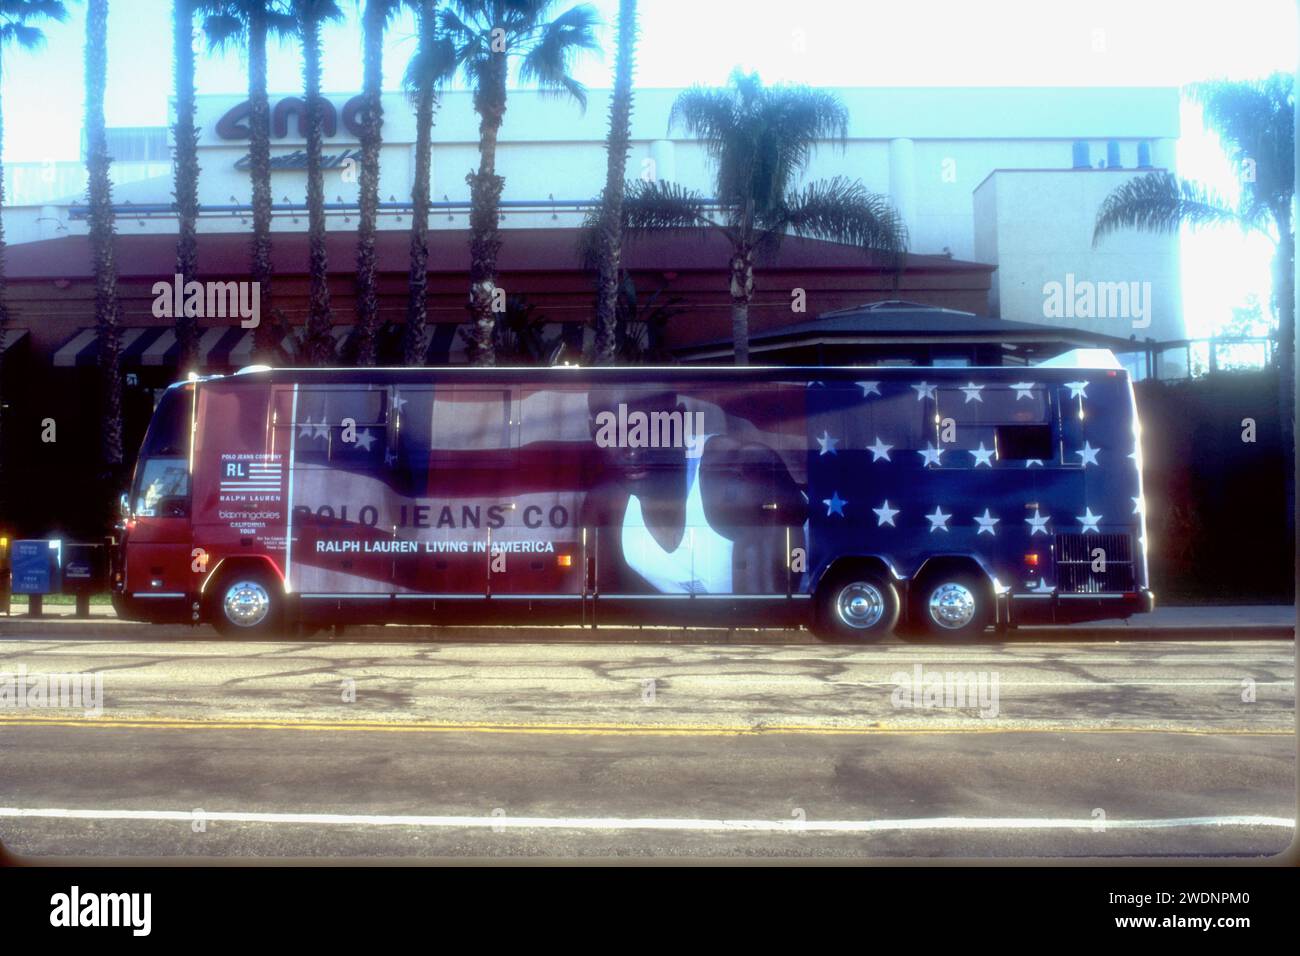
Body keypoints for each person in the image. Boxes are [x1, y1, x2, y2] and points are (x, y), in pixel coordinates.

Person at [580, 387, 805, 595]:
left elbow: (766, 620)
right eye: (613, 433)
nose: (633, 450)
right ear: (594, 433)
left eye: (649, 428)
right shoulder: (605, 504)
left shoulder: (742, 471)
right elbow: (580, 611)